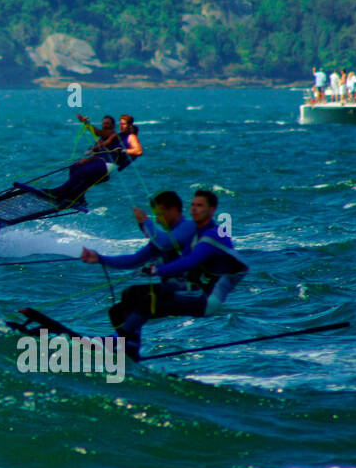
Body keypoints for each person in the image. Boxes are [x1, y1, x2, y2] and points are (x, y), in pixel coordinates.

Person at [81, 190, 247, 358]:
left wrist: (146, 224)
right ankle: (129, 349)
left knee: (148, 300)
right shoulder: (171, 238)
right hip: (184, 289)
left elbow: (182, 256)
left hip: (205, 296)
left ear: (174, 210)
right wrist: (100, 258)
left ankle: (114, 341)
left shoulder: (192, 229)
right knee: (122, 305)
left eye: (160, 215)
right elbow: (134, 260)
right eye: (193, 205)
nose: (158, 220)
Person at [48, 114, 140, 206]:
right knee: (78, 172)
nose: (105, 125)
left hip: (109, 168)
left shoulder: (114, 135)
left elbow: (98, 133)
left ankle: (60, 193)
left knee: (82, 173)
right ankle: (74, 197)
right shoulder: (114, 137)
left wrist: (86, 123)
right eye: (104, 123)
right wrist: (96, 148)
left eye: (108, 123)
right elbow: (103, 148)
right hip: (104, 164)